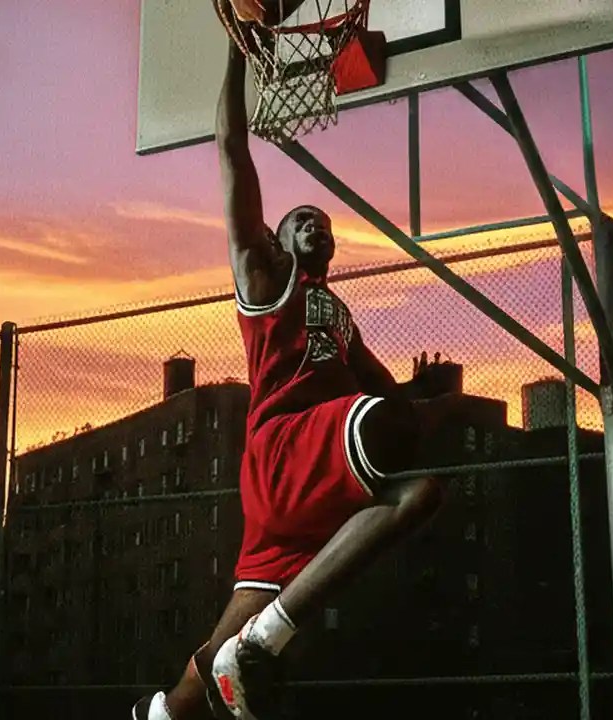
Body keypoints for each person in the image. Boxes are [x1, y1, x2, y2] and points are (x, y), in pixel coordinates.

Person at [132, 27, 463, 720]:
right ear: (274, 239)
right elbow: (231, 148)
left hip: (306, 483)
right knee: (391, 429)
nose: (319, 225)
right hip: (284, 451)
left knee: (419, 493)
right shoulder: (266, 280)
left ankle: (167, 710)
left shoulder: (340, 318)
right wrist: (235, 48)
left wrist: (430, 399)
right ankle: (263, 644)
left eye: (326, 225)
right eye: (303, 219)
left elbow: (390, 398)